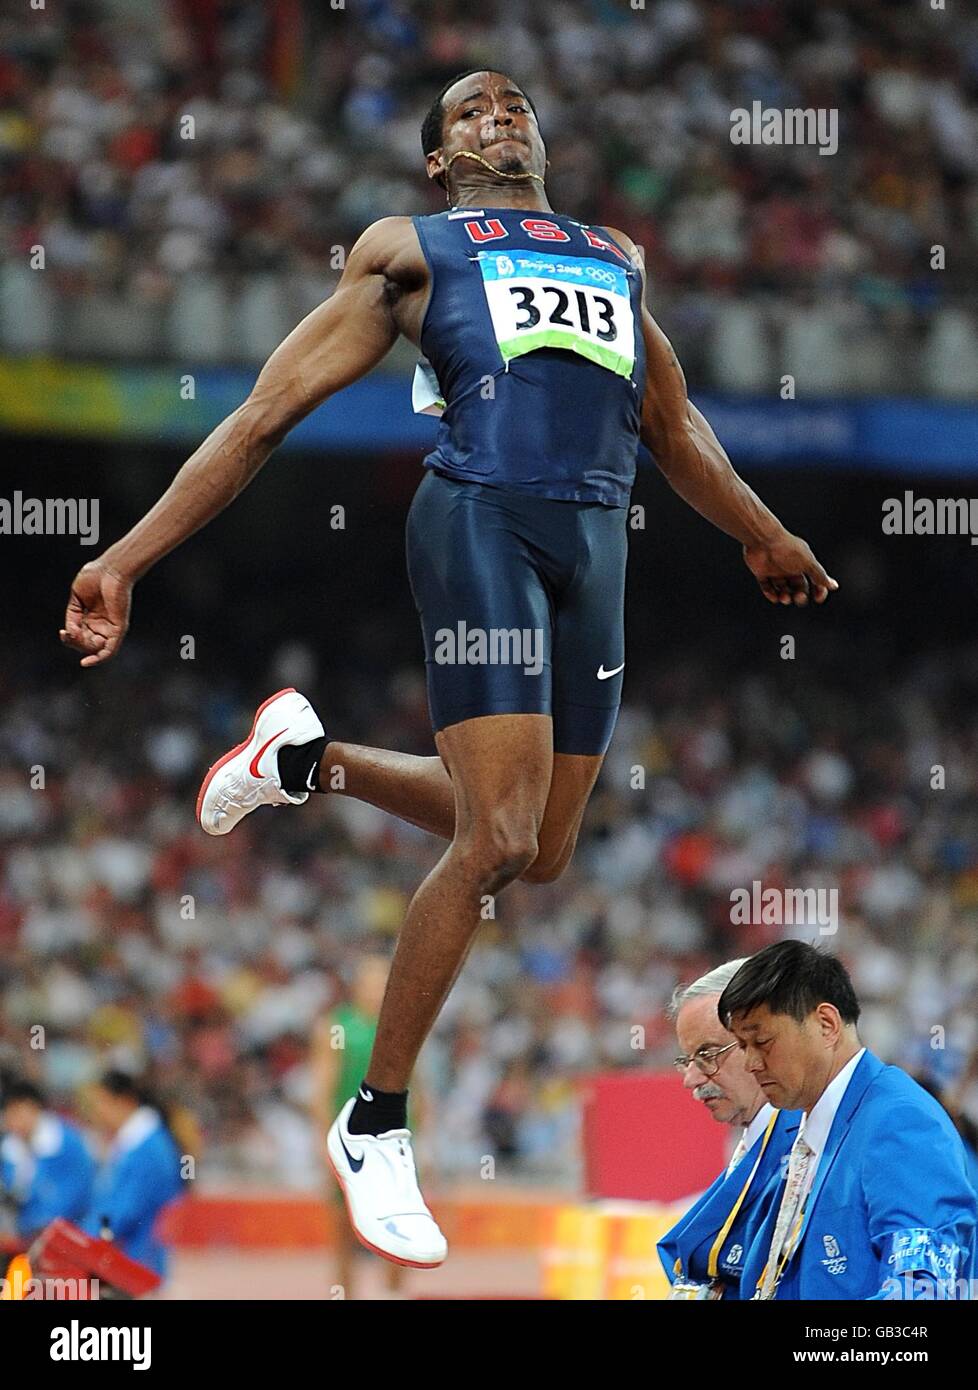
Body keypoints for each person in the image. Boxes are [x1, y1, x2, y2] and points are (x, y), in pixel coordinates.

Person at [60, 69, 837, 1269]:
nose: (499, 115)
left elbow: (672, 424)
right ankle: (375, 1121)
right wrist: (126, 554)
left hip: (596, 540)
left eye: (517, 103)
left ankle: (303, 757)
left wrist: (761, 530)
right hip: (478, 517)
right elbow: (264, 414)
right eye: (469, 110)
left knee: (546, 846)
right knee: (495, 837)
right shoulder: (409, 249)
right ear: (437, 159)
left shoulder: (614, 255)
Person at [718, 941, 978, 1300]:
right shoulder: (807, 1127)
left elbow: (924, 1293)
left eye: (762, 1042)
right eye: (743, 1047)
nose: (751, 1063)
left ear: (826, 1024)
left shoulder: (899, 1120)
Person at [658, 961, 800, 1299]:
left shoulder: (809, 1146)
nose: (691, 1080)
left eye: (707, 1054)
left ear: (758, 1041)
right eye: (687, 1060)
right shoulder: (755, 1143)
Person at [310, 954, 422, 1296]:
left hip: (392, 1142)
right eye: (370, 982)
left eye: (382, 982)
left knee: (401, 1233)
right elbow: (323, 1087)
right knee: (343, 1236)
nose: (376, 989)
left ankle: (394, 1294)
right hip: (349, 1140)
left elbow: (420, 1086)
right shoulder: (336, 1027)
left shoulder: (401, 1029)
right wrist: (321, 1140)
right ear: (356, 986)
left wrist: (426, 1144)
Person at [80, 1071, 184, 1280]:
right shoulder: (132, 1143)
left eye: (101, 1104)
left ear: (124, 1101)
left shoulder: (148, 1148)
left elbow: (127, 1210)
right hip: (129, 1256)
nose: (97, 1113)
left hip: (138, 1260)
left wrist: (84, 1239)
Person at [0, 1080, 96, 1241]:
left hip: (68, 1233)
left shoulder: (67, 1144)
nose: (13, 1121)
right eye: (9, 1115)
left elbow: (74, 1197)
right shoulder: (9, 1148)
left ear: (34, 1108)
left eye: (17, 1113)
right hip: (25, 1235)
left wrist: (30, 1228)